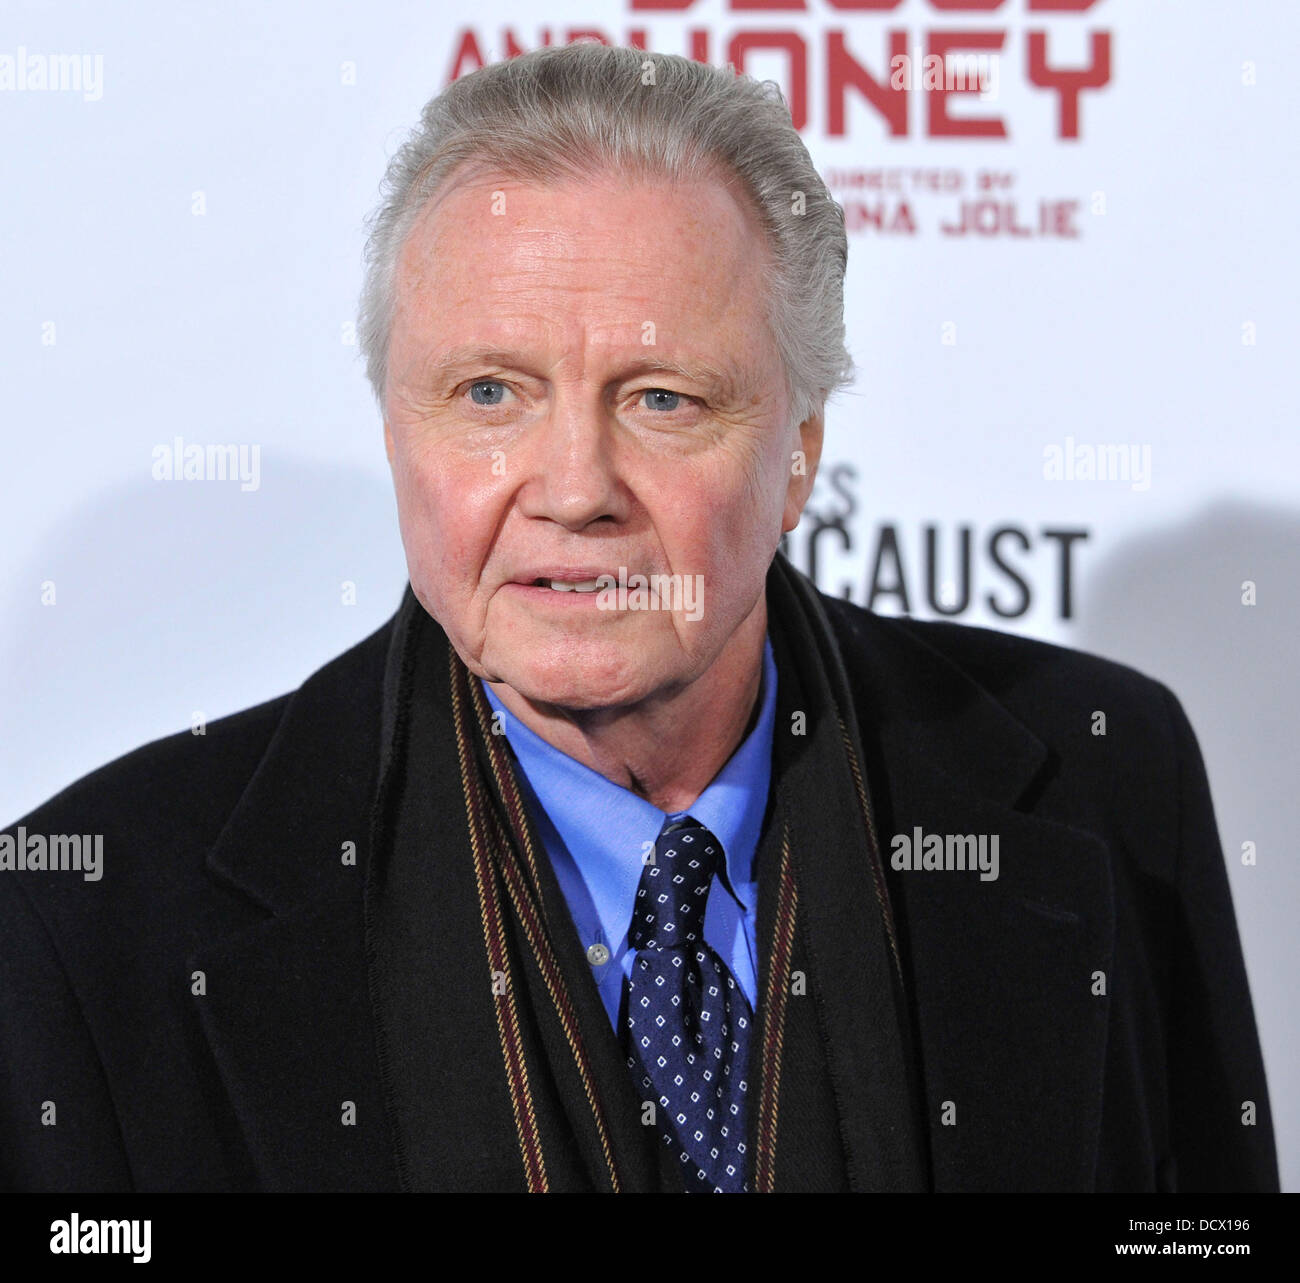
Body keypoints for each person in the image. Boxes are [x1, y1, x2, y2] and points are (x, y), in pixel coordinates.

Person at [0, 43, 1277, 1193]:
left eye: (662, 398)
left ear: (798, 455)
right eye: (489, 391)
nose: (573, 489)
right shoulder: (94, 924)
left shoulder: (1107, 778)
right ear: (397, 432)